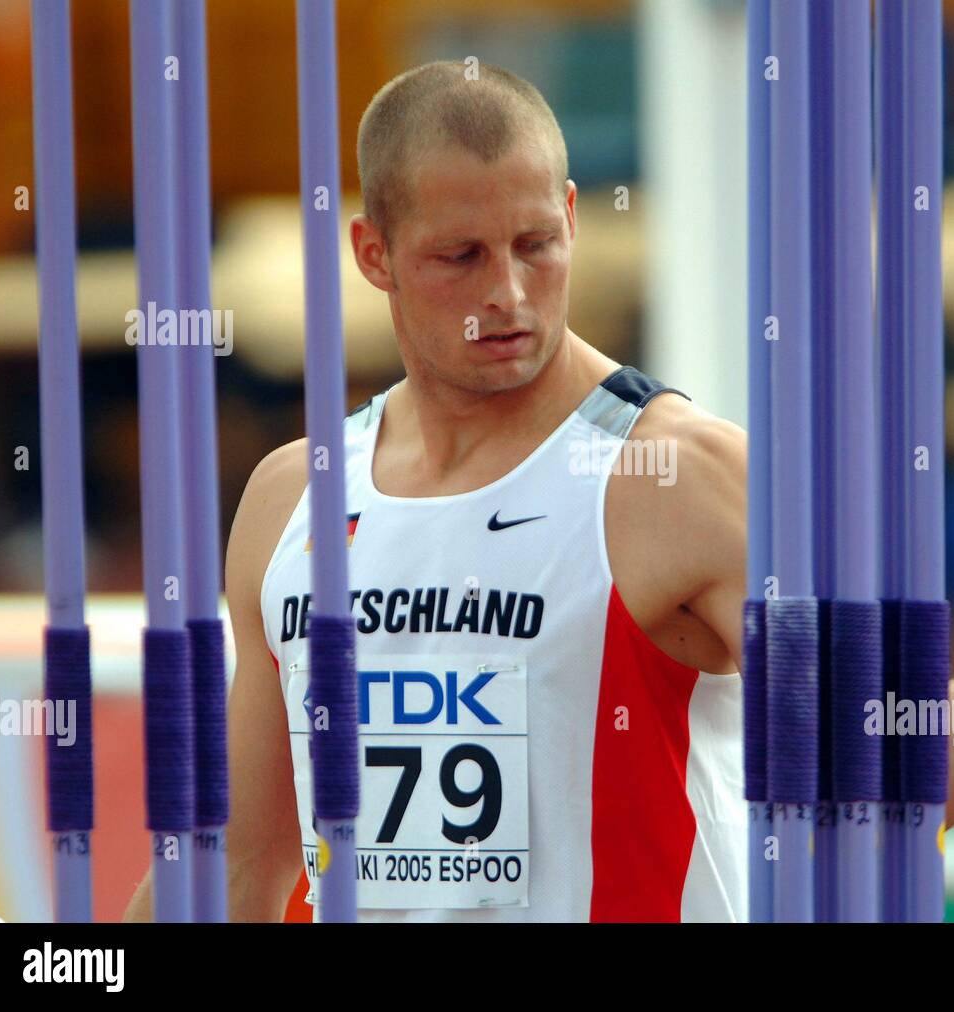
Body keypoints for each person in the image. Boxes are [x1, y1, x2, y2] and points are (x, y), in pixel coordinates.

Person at [124, 60, 748, 922]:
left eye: (536, 244)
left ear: (572, 215)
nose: (507, 294)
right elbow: (240, 864)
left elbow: (874, 752)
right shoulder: (289, 498)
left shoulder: (686, 478)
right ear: (373, 254)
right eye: (460, 256)